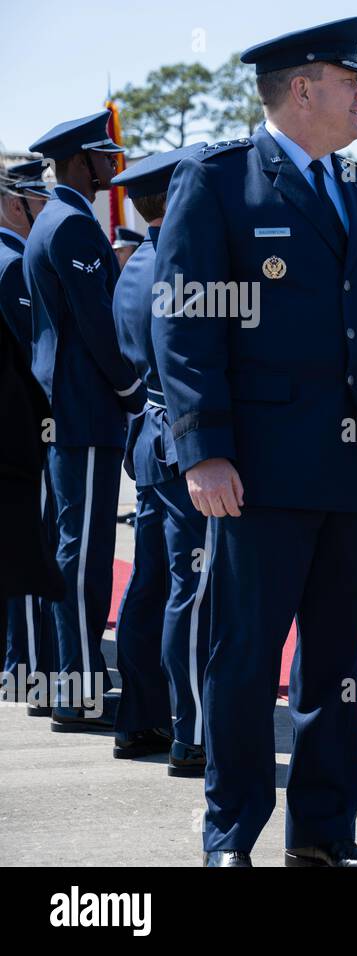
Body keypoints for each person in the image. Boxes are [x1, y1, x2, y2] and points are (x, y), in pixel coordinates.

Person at [152, 16, 357, 866]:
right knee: (244, 661)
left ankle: (323, 836)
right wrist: (202, 447)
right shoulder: (220, 179)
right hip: (260, 471)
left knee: (335, 667)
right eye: (352, 81)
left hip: (353, 470)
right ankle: (230, 835)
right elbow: (184, 322)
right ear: (304, 87)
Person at [25, 111, 143, 729]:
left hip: (66, 409)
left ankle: (66, 681)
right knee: (83, 557)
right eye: (107, 158)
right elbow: (97, 325)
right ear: (80, 162)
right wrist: (130, 388)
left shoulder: (53, 220)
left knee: (72, 550)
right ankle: (77, 689)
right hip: (84, 409)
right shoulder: (71, 225)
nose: (113, 168)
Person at [107, 144, 212, 775]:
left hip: (150, 443)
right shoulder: (178, 263)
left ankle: (139, 718)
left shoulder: (137, 264)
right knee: (191, 592)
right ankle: (191, 729)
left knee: (150, 588)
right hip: (180, 445)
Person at [1, 158, 60, 708]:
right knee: (25, 547)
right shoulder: (11, 265)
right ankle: (26, 669)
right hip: (18, 433)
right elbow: (27, 357)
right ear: (17, 204)